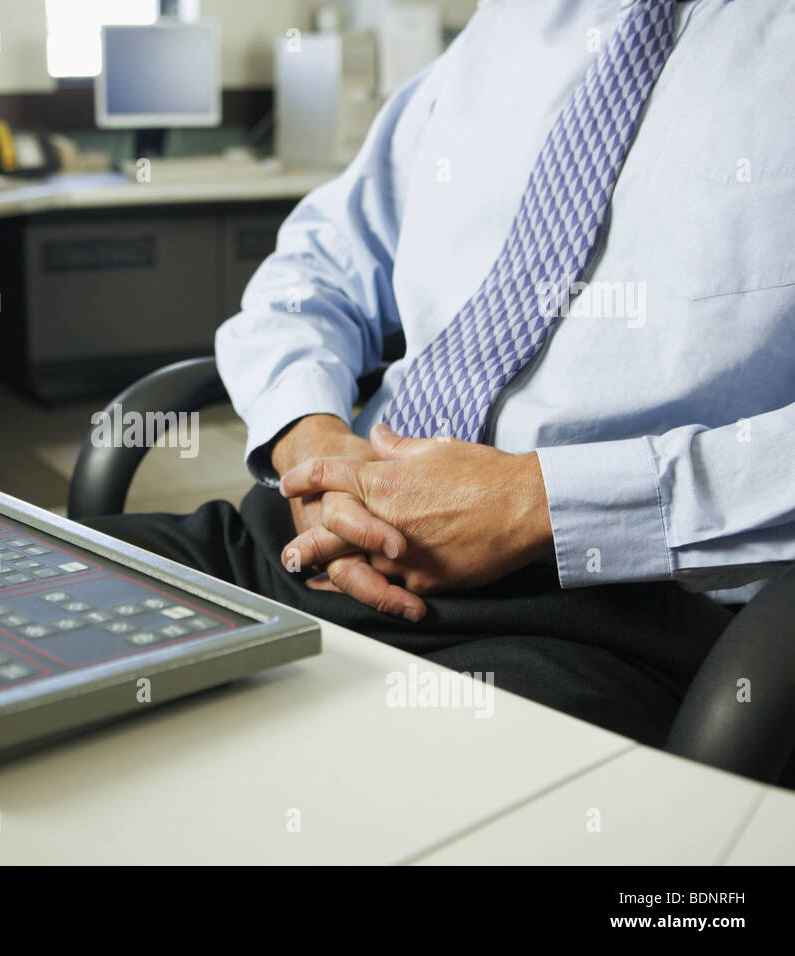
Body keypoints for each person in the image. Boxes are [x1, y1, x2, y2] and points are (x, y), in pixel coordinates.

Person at [87, 0, 795, 749]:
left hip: (602, 619)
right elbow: (316, 267)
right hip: (306, 543)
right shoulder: (508, 29)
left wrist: (538, 506)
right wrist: (310, 441)